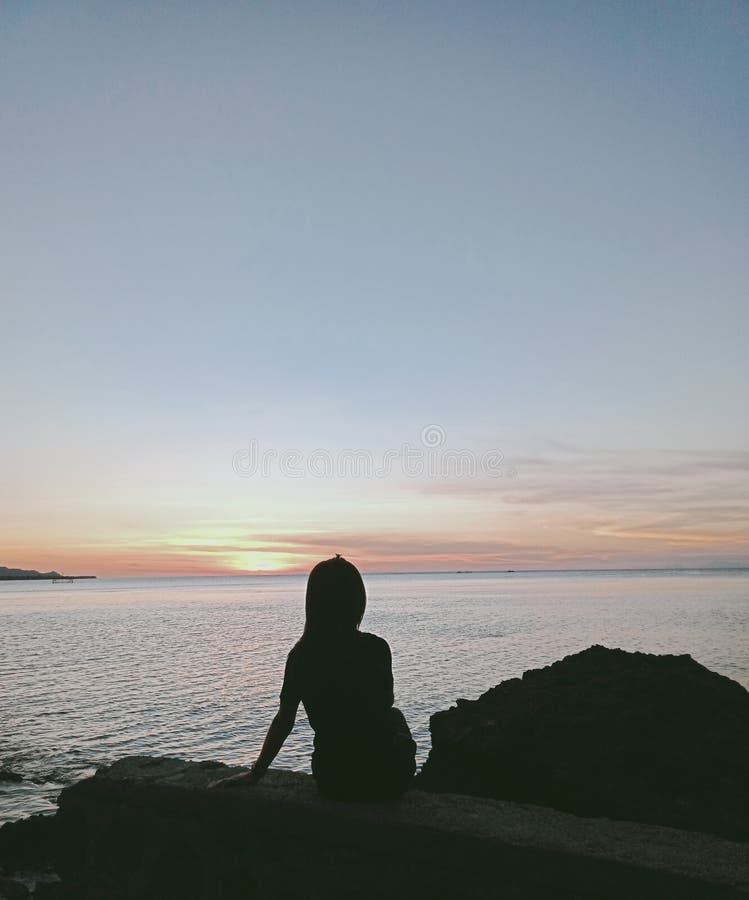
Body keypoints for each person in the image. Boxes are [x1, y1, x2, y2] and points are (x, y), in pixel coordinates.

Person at [211, 555, 416, 800]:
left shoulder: (301, 656)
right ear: (357, 600)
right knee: (395, 716)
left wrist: (256, 773)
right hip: (386, 777)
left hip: (333, 778)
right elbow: (385, 702)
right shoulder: (376, 648)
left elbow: (284, 721)